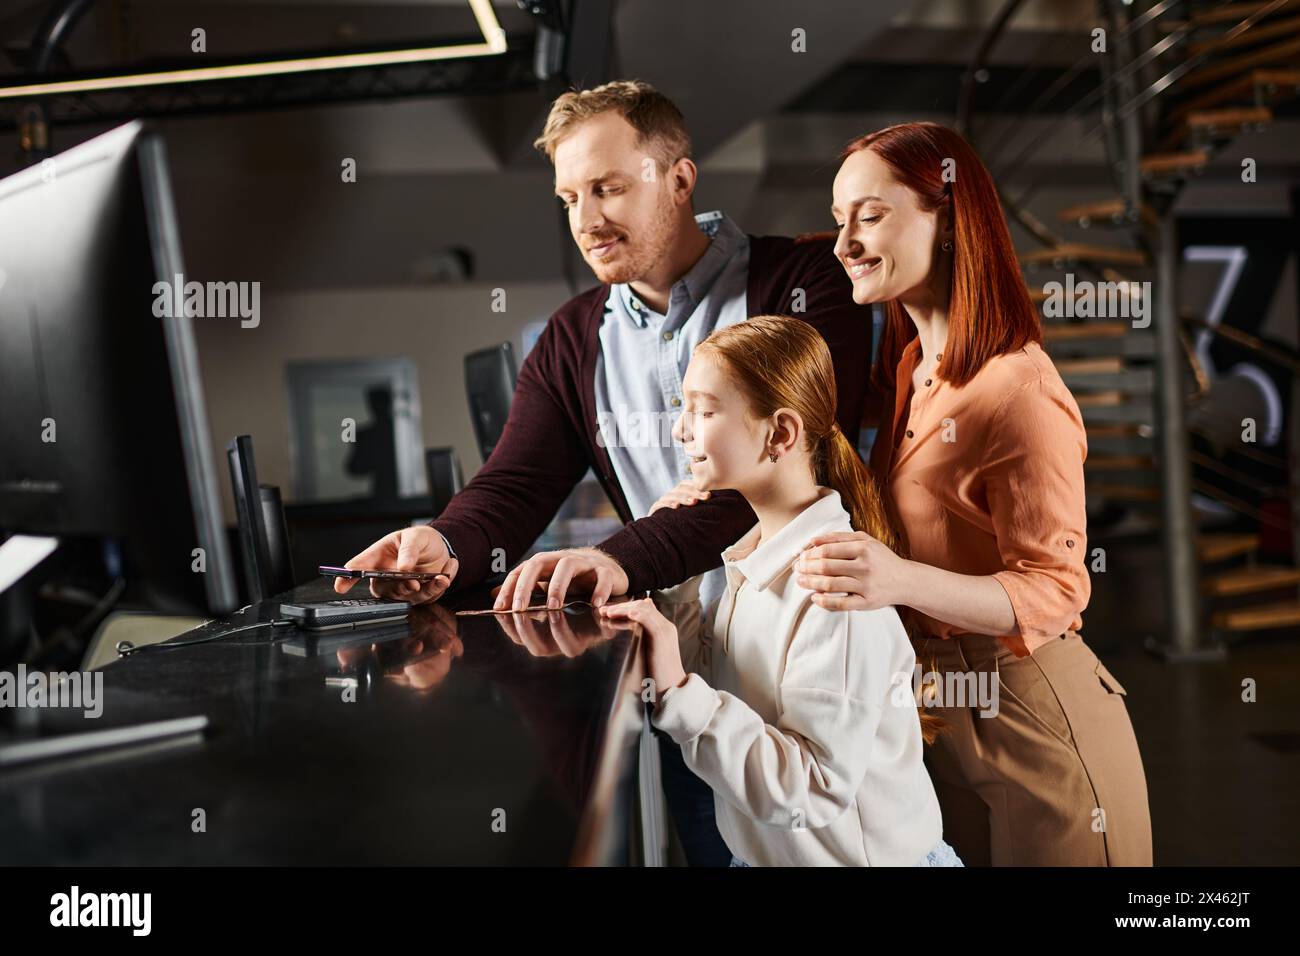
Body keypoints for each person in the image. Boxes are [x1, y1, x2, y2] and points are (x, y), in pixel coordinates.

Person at [506, 121, 1153, 867]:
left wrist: (897, 579)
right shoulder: (911, 370)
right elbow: (810, 446)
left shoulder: (1018, 389)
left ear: (949, 220)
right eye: (841, 218)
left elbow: (1059, 591)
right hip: (944, 702)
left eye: (870, 216)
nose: (843, 242)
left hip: (1029, 703)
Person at [335, 80, 873, 866]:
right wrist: (443, 544)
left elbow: (776, 479)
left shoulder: (805, 286)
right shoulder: (571, 338)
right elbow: (514, 487)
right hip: (690, 690)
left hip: (814, 670)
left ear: (681, 180)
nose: (587, 219)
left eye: (609, 187)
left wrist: (614, 559)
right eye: (569, 197)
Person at [599, 315, 960, 866]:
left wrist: (674, 688)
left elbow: (814, 785)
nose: (680, 430)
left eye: (704, 409)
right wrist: (679, 587)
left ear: (780, 435)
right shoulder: (756, 561)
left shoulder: (830, 589)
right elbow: (731, 682)